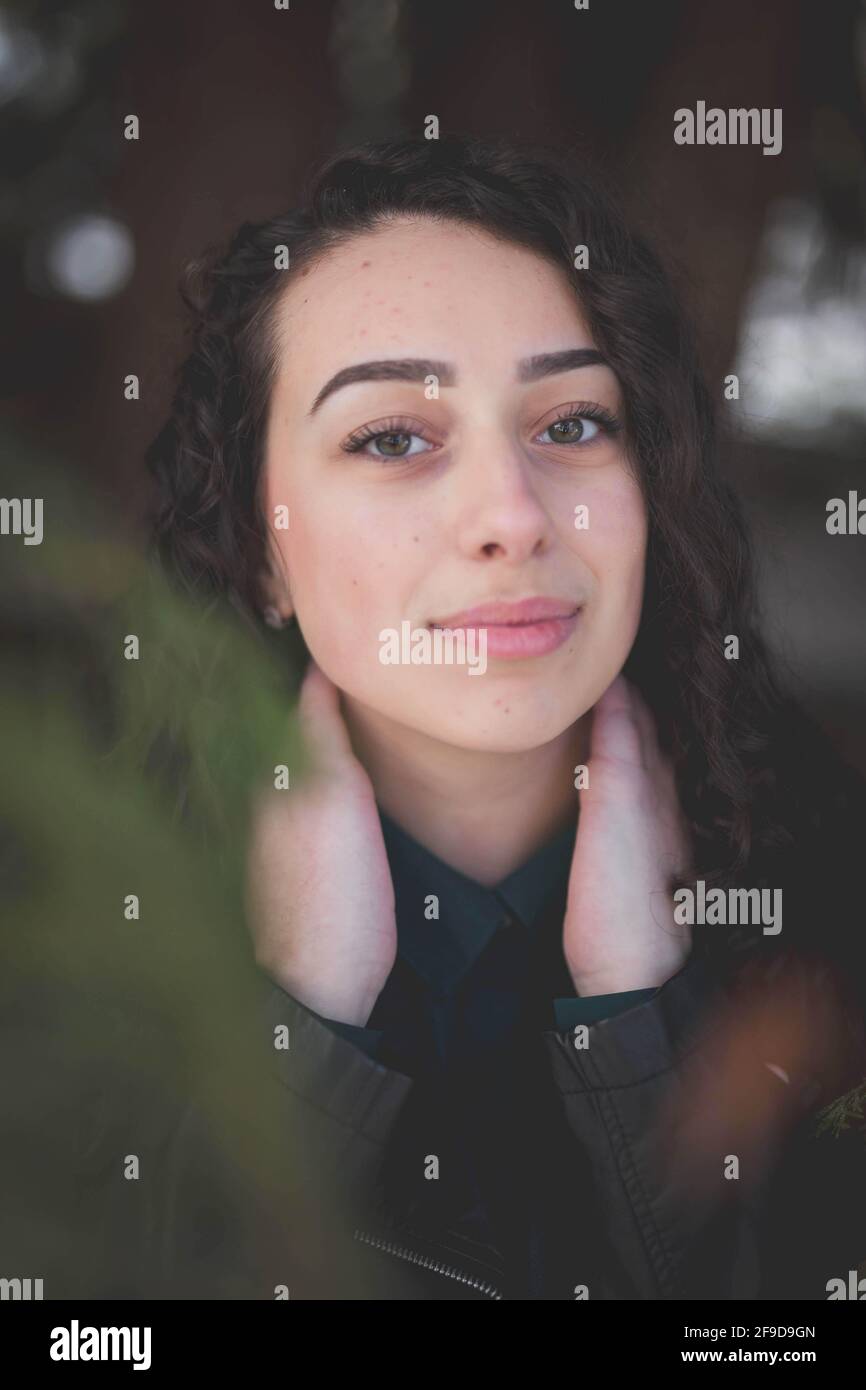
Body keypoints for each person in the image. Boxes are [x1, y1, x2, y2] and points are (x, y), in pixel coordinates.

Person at [146, 133, 866, 1300]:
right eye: (391, 436)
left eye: (572, 422)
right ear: (259, 550)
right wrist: (303, 1026)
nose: (510, 514)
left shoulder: (836, 935)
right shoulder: (63, 954)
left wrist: (637, 1018)